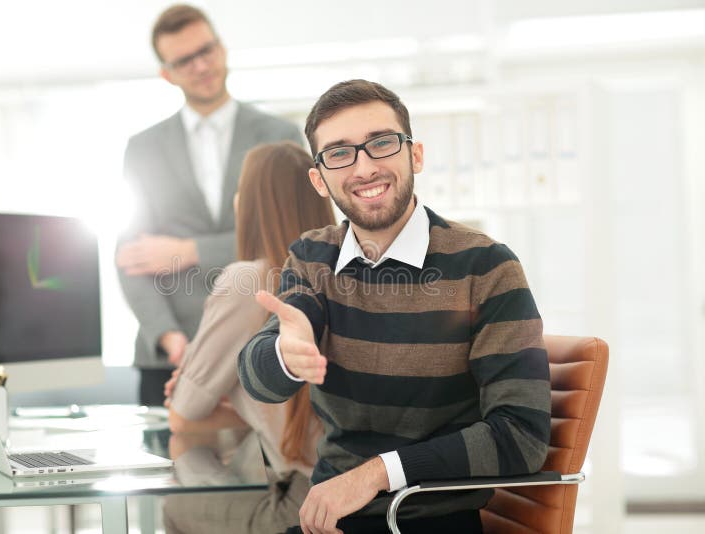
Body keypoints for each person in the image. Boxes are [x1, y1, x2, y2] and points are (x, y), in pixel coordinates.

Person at [238, 80, 552, 534]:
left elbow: (521, 435)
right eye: (340, 153)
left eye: (381, 143)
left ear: (415, 155)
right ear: (319, 180)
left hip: (426, 522)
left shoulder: (485, 267)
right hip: (327, 521)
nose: (364, 167)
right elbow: (258, 379)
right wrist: (285, 356)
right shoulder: (313, 256)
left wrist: (377, 473)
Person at [115, 4, 302, 406]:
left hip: (260, 348)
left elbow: (291, 239)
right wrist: (169, 339)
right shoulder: (142, 149)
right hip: (168, 356)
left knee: (264, 469)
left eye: (207, 50)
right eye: (185, 60)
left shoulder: (280, 137)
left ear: (222, 48)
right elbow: (130, 258)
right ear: (167, 73)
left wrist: (188, 251)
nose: (201, 65)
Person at [162, 141, 336, 534]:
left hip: (305, 505)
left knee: (175, 506)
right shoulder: (343, 275)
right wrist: (236, 400)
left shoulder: (249, 280)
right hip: (344, 496)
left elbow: (182, 419)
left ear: (255, 203)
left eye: (240, 189)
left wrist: (208, 396)